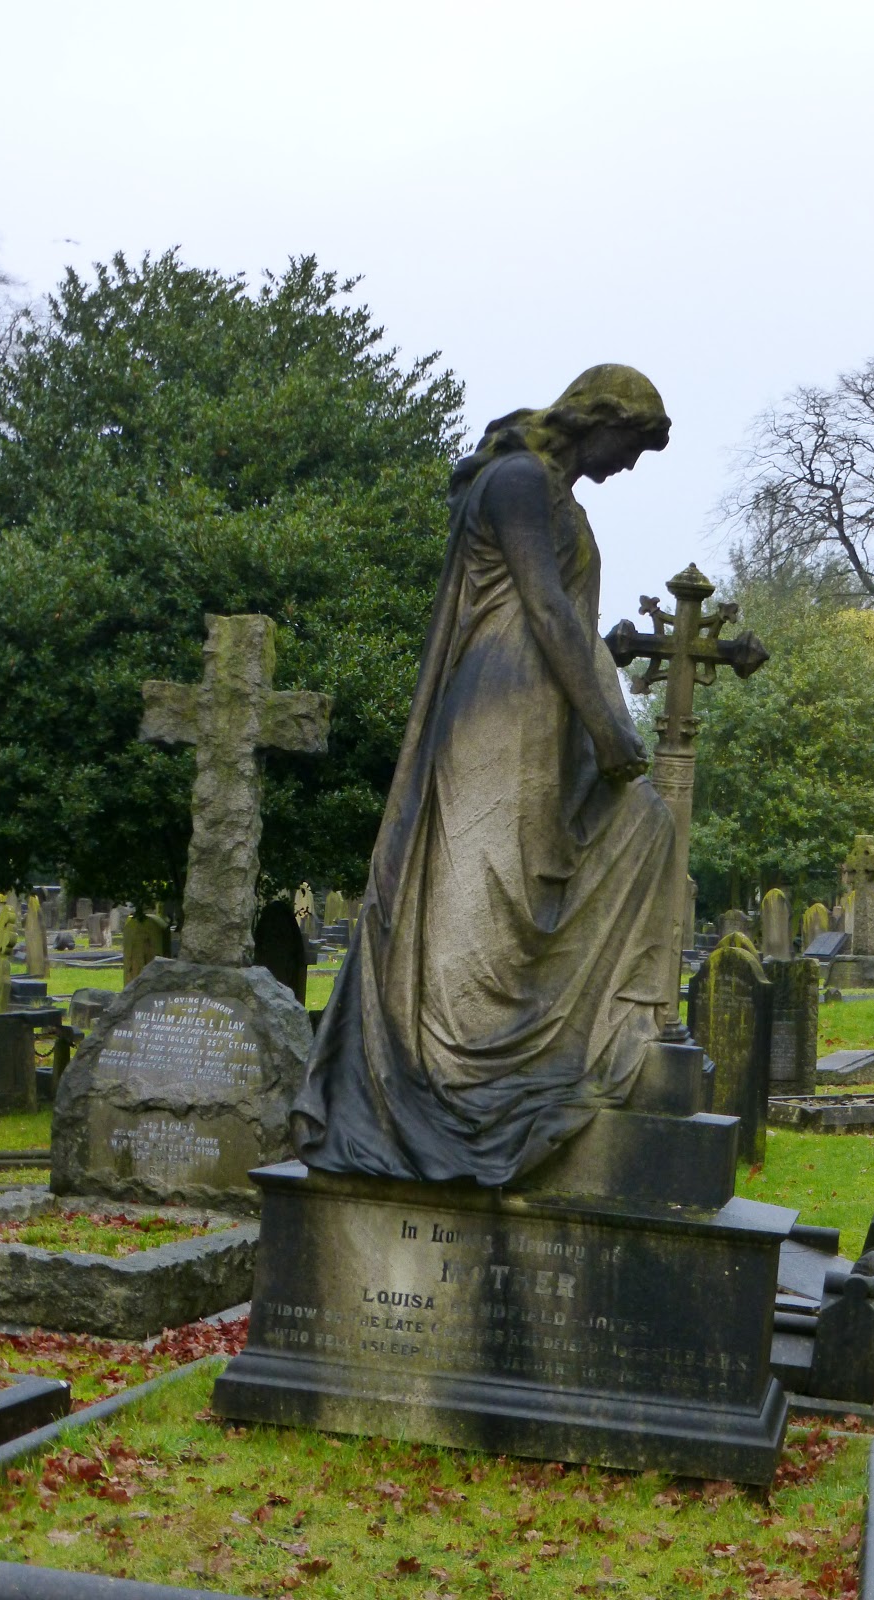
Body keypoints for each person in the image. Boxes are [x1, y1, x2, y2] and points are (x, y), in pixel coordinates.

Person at [294, 365, 677, 1184]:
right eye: (631, 445)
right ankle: (451, 1082)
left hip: (550, 718)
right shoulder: (513, 480)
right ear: (596, 416)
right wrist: (611, 726)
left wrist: (597, 723)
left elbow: (567, 620)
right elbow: (542, 607)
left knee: (645, 824)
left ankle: (596, 1036)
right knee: (482, 901)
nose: (630, 467)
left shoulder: (560, 497)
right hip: (496, 715)